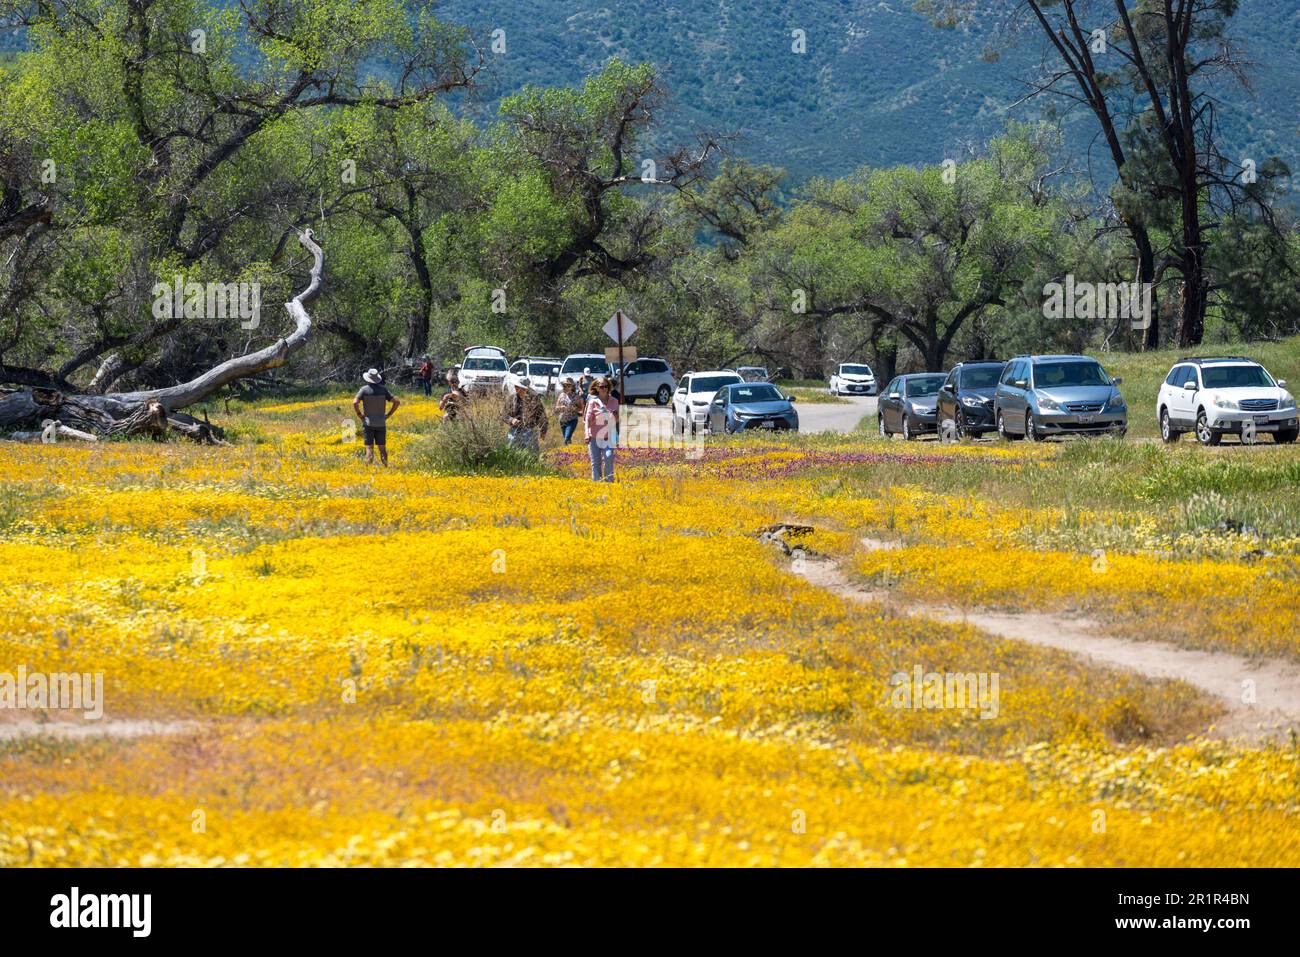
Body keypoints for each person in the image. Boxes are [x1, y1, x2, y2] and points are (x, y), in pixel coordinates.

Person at [353, 368, 400, 466]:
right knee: (382, 448)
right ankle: (386, 467)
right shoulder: (383, 390)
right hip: (381, 423)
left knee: (369, 448)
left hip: (368, 423)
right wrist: (389, 414)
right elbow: (396, 402)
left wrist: (360, 415)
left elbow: (355, 402)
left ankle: (368, 469)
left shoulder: (364, 390)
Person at [584, 376, 619, 482]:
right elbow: (587, 420)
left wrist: (615, 416)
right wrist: (586, 434)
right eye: (601, 386)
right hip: (594, 436)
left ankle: (609, 483)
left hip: (609, 436)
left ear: (609, 387)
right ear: (597, 388)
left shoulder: (614, 401)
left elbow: (617, 421)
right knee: (596, 463)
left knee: (608, 458)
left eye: (605, 386)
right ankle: (597, 484)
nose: (603, 388)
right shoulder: (593, 402)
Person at [502, 375, 548, 454]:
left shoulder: (534, 400)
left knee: (532, 454)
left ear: (525, 389)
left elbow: (542, 416)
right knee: (511, 453)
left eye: (518, 386)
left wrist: (543, 430)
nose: (515, 387)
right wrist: (511, 420)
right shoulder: (511, 399)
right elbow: (503, 414)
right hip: (514, 430)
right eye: (515, 386)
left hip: (530, 430)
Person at [554, 377, 583, 445]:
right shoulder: (561, 395)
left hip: (572, 419)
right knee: (567, 438)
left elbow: (580, 408)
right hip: (562, 420)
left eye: (568, 385)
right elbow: (556, 408)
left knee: (567, 437)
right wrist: (561, 407)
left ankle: (565, 452)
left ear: (572, 387)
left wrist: (574, 408)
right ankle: (569, 451)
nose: (566, 387)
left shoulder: (576, 396)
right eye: (564, 385)